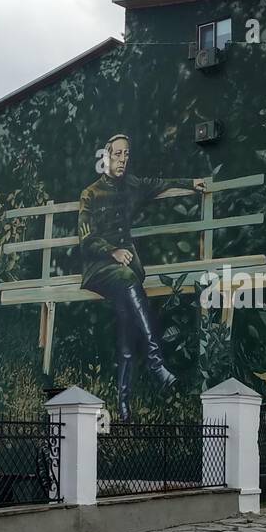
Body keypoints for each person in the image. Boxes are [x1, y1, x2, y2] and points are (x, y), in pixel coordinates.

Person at [78, 134, 207, 420]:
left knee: (126, 315)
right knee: (127, 279)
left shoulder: (132, 185)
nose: (122, 160)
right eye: (117, 154)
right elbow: (85, 239)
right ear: (106, 156)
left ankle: (123, 406)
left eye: (126, 154)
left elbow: (159, 182)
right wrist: (111, 251)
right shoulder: (91, 193)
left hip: (126, 274)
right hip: (99, 269)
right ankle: (155, 363)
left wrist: (190, 183)